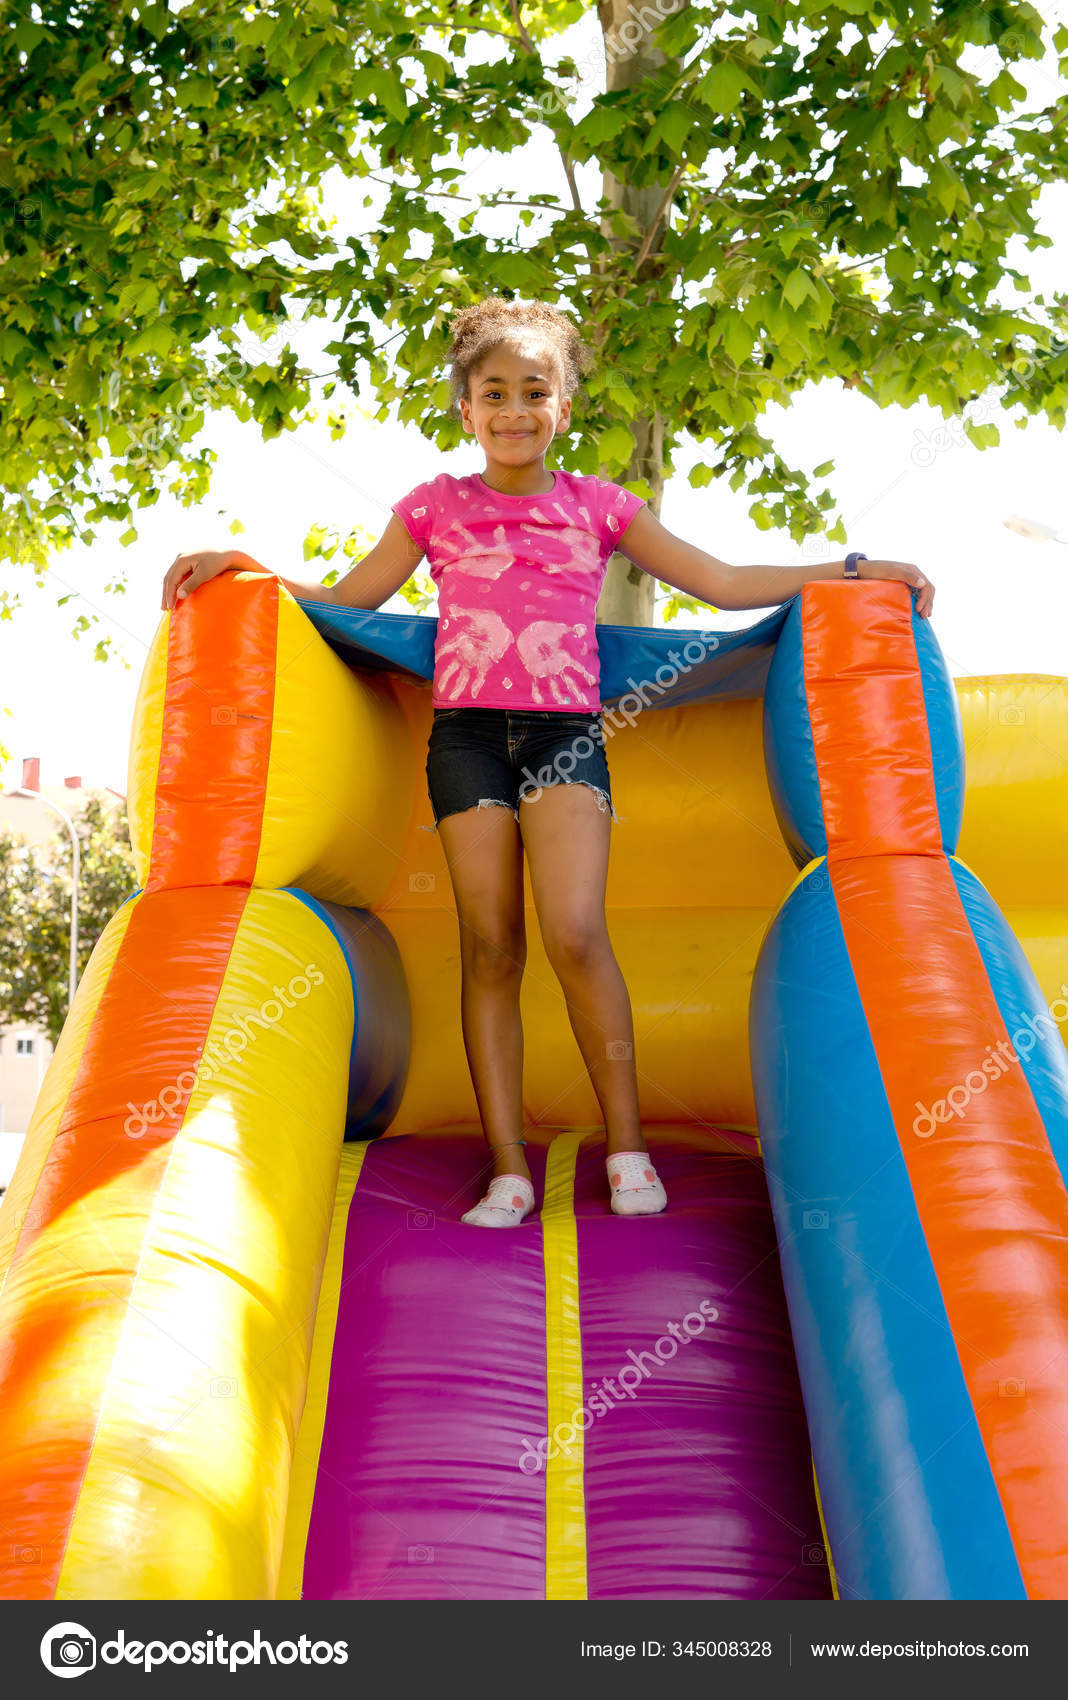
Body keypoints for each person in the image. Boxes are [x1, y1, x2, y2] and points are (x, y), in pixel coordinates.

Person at [161, 296, 934, 1228]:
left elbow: (723, 582)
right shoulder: (433, 507)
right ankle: (507, 1169)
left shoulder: (600, 506)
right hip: (468, 739)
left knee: (573, 932)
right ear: (466, 408)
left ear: (564, 407)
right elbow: (352, 600)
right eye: (495, 393)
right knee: (491, 946)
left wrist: (859, 569)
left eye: (536, 391)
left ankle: (630, 1149)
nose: (515, 410)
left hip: (564, 735)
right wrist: (245, 564)